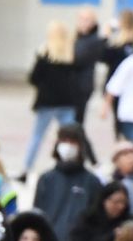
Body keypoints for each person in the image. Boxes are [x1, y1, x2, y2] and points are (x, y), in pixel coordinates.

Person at [23, 23, 89, 177]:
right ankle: (74, 164)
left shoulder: (44, 54)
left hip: (47, 102)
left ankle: (26, 168)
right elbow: (77, 81)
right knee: (71, 137)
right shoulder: (71, 55)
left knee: (38, 136)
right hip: (67, 102)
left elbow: (33, 78)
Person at [31, 125, 101, 241]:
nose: (68, 146)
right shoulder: (46, 179)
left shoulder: (92, 182)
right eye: (64, 141)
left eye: (73, 142)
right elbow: (37, 216)